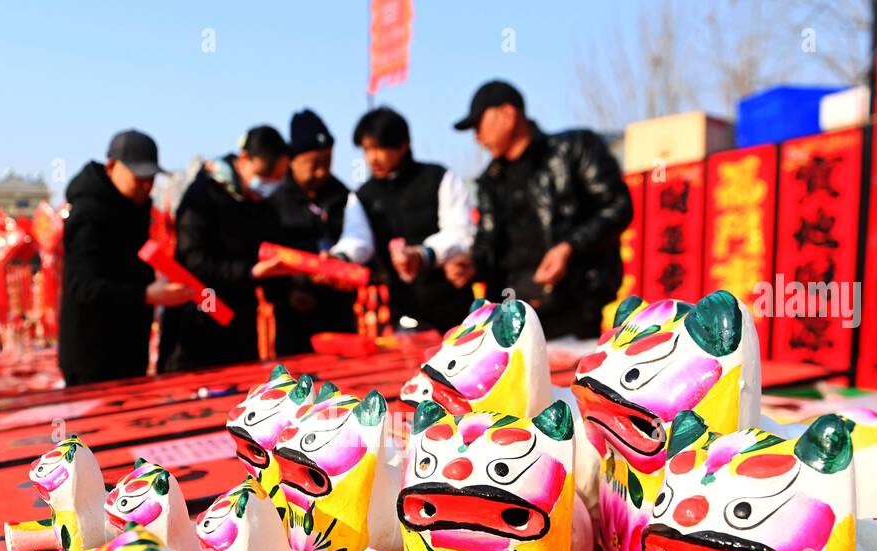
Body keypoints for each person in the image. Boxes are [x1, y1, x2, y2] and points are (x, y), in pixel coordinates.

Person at [452, 79, 633, 340]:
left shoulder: (575, 149)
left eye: (479, 124)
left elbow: (618, 206)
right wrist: (471, 265)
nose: (477, 136)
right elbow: (488, 245)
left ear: (508, 114)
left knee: (571, 378)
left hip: (575, 306)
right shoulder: (489, 181)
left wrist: (568, 247)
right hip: (510, 319)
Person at [58, 130, 194, 385]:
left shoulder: (135, 207)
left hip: (129, 343)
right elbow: (83, 286)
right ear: (112, 166)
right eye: (139, 177)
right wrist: (145, 294)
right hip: (93, 352)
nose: (146, 185)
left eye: (151, 178)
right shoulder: (88, 212)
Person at [160, 125, 289, 371]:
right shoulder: (202, 195)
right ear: (244, 159)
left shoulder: (263, 205)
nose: (270, 182)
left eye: (278, 177)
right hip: (196, 328)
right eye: (266, 173)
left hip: (240, 330)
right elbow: (194, 262)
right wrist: (249, 272)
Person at [351, 107, 476, 332]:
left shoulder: (438, 177)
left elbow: (460, 232)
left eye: (379, 148)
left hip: (455, 310)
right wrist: (340, 257)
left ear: (403, 144)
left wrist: (423, 254)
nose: (372, 158)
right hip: (404, 316)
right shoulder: (362, 197)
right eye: (367, 149)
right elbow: (357, 240)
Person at [263, 109, 374, 356]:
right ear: (292, 159)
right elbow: (264, 258)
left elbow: (360, 242)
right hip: (294, 318)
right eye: (314, 164)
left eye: (327, 163)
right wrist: (286, 294)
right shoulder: (274, 202)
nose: (322, 172)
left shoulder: (343, 196)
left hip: (339, 314)